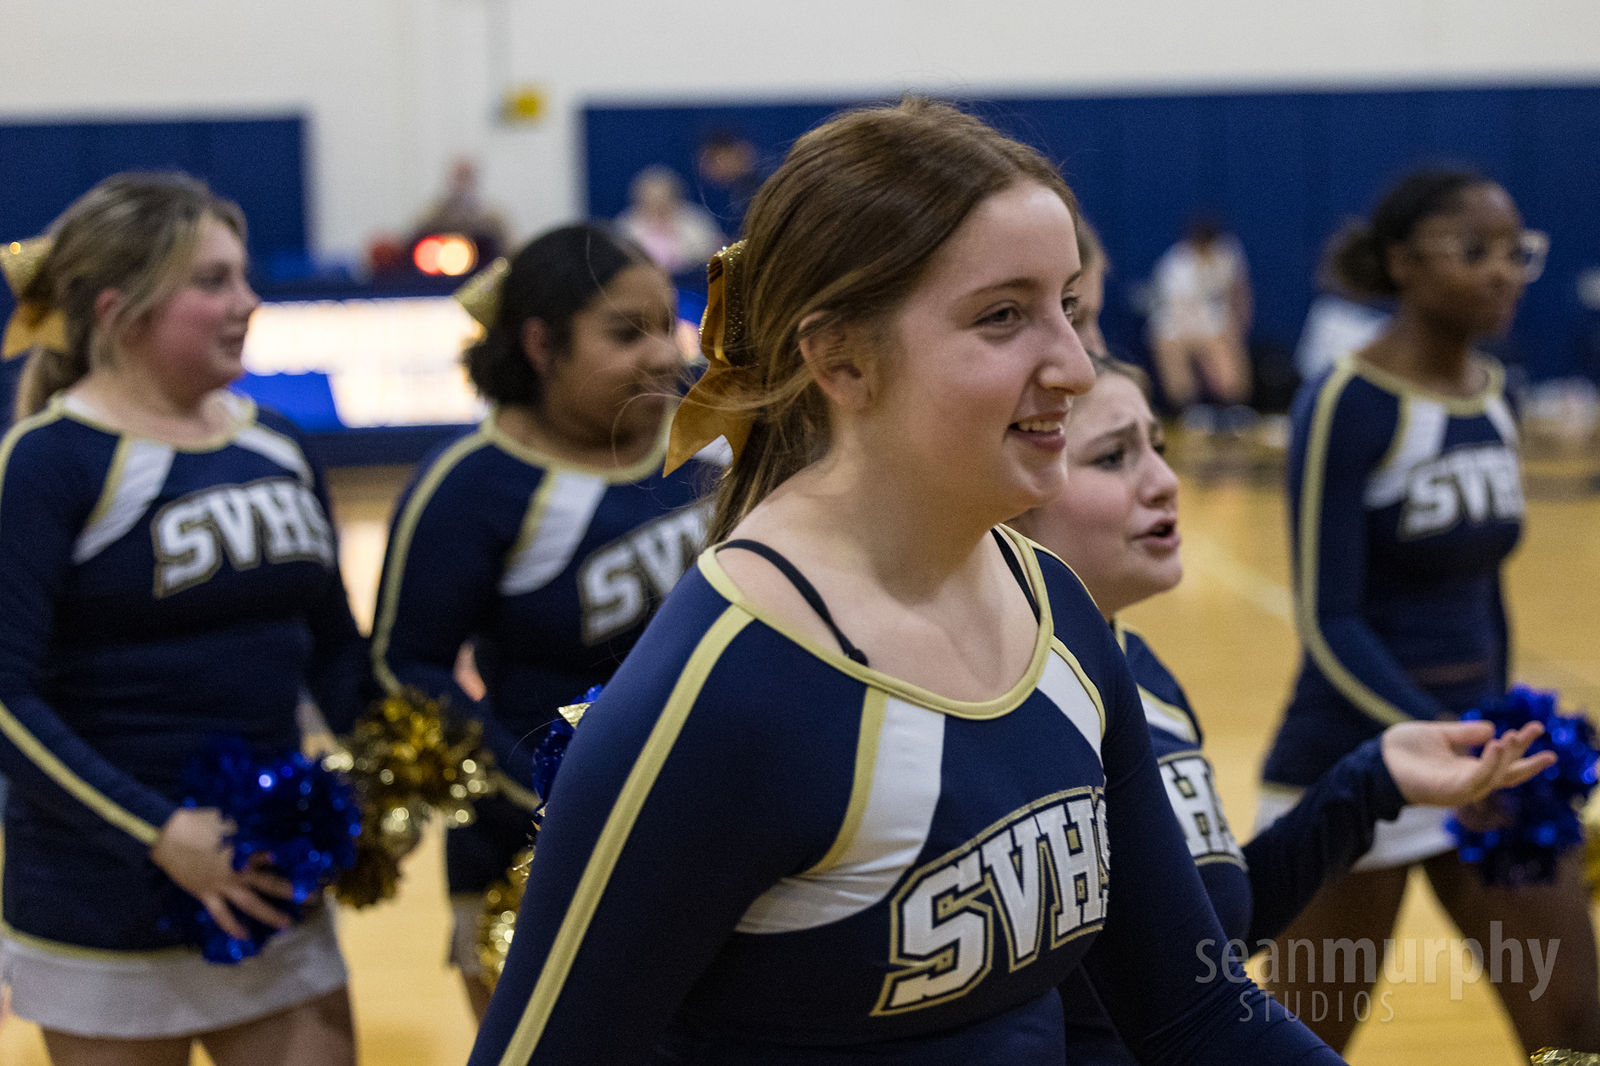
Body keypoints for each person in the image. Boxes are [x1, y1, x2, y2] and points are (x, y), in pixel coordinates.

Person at [468, 98, 1347, 1066]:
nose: (1068, 364)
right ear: (839, 357)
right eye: (1003, 315)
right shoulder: (724, 694)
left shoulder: (1054, 607)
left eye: (1067, 304)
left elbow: (1197, 1014)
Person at [1009, 345, 1556, 1063]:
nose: (1166, 482)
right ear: (1015, 492)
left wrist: (1374, 778)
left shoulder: (1142, 671)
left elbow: (1208, 938)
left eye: (1159, 447)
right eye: (1113, 458)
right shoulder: (1006, 703)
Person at [0, 173, 367, 1065]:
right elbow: (7, 698)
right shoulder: (49, 462)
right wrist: (159, 833)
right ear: (122, 310)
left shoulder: (276, 442)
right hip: (102, 900)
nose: (247, 302)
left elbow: (334, 650)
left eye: (241, 277)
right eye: (213, 282)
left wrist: (376, 776)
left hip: (272, 884)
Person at [1256, 168, 1599, 1054]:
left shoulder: (1495, 391)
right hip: (1353, 766)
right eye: (1475, 252)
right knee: (1300, 1046)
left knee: (1575, 1026)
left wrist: (1506, 733)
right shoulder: (1346, 401)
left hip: (1485, 761)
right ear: (1404, 262)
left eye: (1517, 254)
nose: (1504, 274)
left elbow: (1485, 594)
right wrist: (1442, 744)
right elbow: (1328, 622)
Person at [369, 221, 719, 1021]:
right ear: (540, 344)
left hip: (714, 820)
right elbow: (405, 667)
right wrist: (543, 796)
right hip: (536, 852)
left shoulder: (713, 435)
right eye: (626, 334)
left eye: (666, 325)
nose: (665, 354)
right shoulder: (470, 486)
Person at [1146, 215, 1253, 426]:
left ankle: (1231, 407)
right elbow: (1176, 312)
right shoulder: (1175, 265)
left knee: (1225, 351)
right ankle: (1187, 409)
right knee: (1170, 348)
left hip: (1210, 323)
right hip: (1175, 325)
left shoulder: (1228, 253)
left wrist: (1236, 327)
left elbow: (1239, 292)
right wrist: (1197, 338)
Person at [615, 166, 726, 280]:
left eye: (663, 199)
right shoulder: (627, 224)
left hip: (692, 283)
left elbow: (710, 252)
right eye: (652, 201)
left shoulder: (695, 220)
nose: (658, 207)